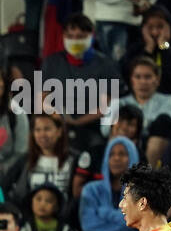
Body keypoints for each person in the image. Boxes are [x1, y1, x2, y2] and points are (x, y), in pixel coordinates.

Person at [39, 14, 122, 144]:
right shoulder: (52, 62)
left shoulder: (106, 64)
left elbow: (106, 105)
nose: (75, 41)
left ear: (92, 36)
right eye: (70, 36)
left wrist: (76, 122)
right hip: (58, 124)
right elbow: (43, 98)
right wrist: (60, 118)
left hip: (94, 128)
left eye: (80, 37)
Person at [79, 135, 142, 231]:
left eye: (122, 154)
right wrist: (126, 221)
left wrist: (104, 213)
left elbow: (142, 222)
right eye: (111, 154)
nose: (116, 158)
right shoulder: (91, 190)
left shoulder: (142, 191)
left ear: (132, 158)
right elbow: (88, 225)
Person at [124, 4, 171, 100]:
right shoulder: (136, 49)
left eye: (160, 27)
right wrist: (148, 49)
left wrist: (163, 45)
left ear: (170, 27)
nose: (155, 32)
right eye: (150, 27)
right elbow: (128, 74)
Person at [8, 113, 75, 208]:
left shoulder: (74, 160)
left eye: (47, 129)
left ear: (59, 131)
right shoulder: (24, 160)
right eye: (37, 130)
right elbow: (4, 186)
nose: (42, 134)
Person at [120, 55, 171, 164]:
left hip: (155, 143)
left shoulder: (168, 100)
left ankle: (146, 175)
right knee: (117, 130)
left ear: (157, 80)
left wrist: (131, 126)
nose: (143, 82)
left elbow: (165, 123)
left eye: (147, 77)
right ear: (132, 80)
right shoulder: (120, 103)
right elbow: (105, 129)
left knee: (162, 124)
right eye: (138, 77)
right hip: (126, 142)